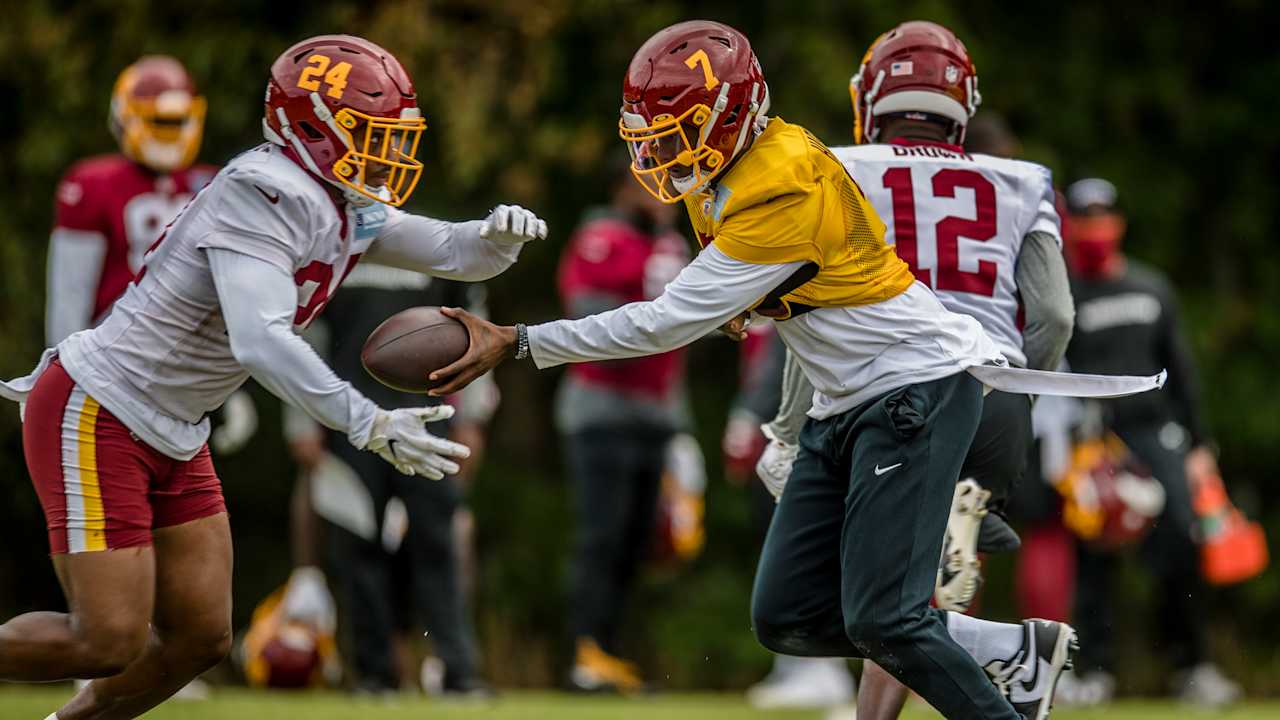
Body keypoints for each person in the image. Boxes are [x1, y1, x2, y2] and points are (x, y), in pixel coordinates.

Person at [427, 20, 1162, 720]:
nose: (659, 155)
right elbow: (780, 291)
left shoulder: (782, 183)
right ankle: (1003, 646)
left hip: (918, 387)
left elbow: (664, 322)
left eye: (677, 133)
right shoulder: (733, 168)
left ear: (734, 115)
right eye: (652, 137)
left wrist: (518, 341)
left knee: (886, 617)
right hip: (846, 400)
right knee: (788, 615)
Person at [0, 34, 546, 720]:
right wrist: (365, 421)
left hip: (173, 425)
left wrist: (494, 241)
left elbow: (450, 249)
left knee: (201, 637)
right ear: (314, 130)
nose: (392, 154)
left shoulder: (341, 196)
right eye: (374, 134)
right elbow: (260, 342)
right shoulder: (268, 191)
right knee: (105, 638)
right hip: (101, 407)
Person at [753, 23, 1078, 720]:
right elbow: (1054, 316)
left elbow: (814, 319)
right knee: (889, 601)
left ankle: (997, 656)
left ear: (871, 96)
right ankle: (1004, 650)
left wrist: (786, 431)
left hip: (886, 399)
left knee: (879, 603)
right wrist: (1016, 402)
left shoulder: (834, 169)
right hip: (989, 397)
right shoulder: (1022, 180)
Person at [1058, 177, 1241, 707]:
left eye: (1102, 219)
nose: (1095, 230)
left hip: (1156, 430)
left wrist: (1200, 447)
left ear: (1118, 224)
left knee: (1181, 537)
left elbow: (1181, 371)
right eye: (1084, 220)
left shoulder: (1150, 287)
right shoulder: (1062, 290)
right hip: (1093, 438)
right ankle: (1094, 669)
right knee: (1094, 548)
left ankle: (1193, 666)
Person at [284, 271, 491, 696]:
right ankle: (376, 674)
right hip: (352, 424)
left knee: (438, 545)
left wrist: (472, 416)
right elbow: (305, 339)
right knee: (358, 548)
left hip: (428, 423)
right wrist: (302, 419)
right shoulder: (338, 249)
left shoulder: (440, 252)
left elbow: (476, 334)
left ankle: (456, 671)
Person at [555, 160, 692, 693]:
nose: (663, 195)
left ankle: (609, 653)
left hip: (656, 416)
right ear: (621, 187)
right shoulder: (600, 237)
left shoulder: (673, 245)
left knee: (642, 542)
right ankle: (585, 654)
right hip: (602, 411)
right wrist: (651, 316)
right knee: (601, 536)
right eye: (649, 184)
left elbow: (682, 339)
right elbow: (587, 319)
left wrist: (680, 425)